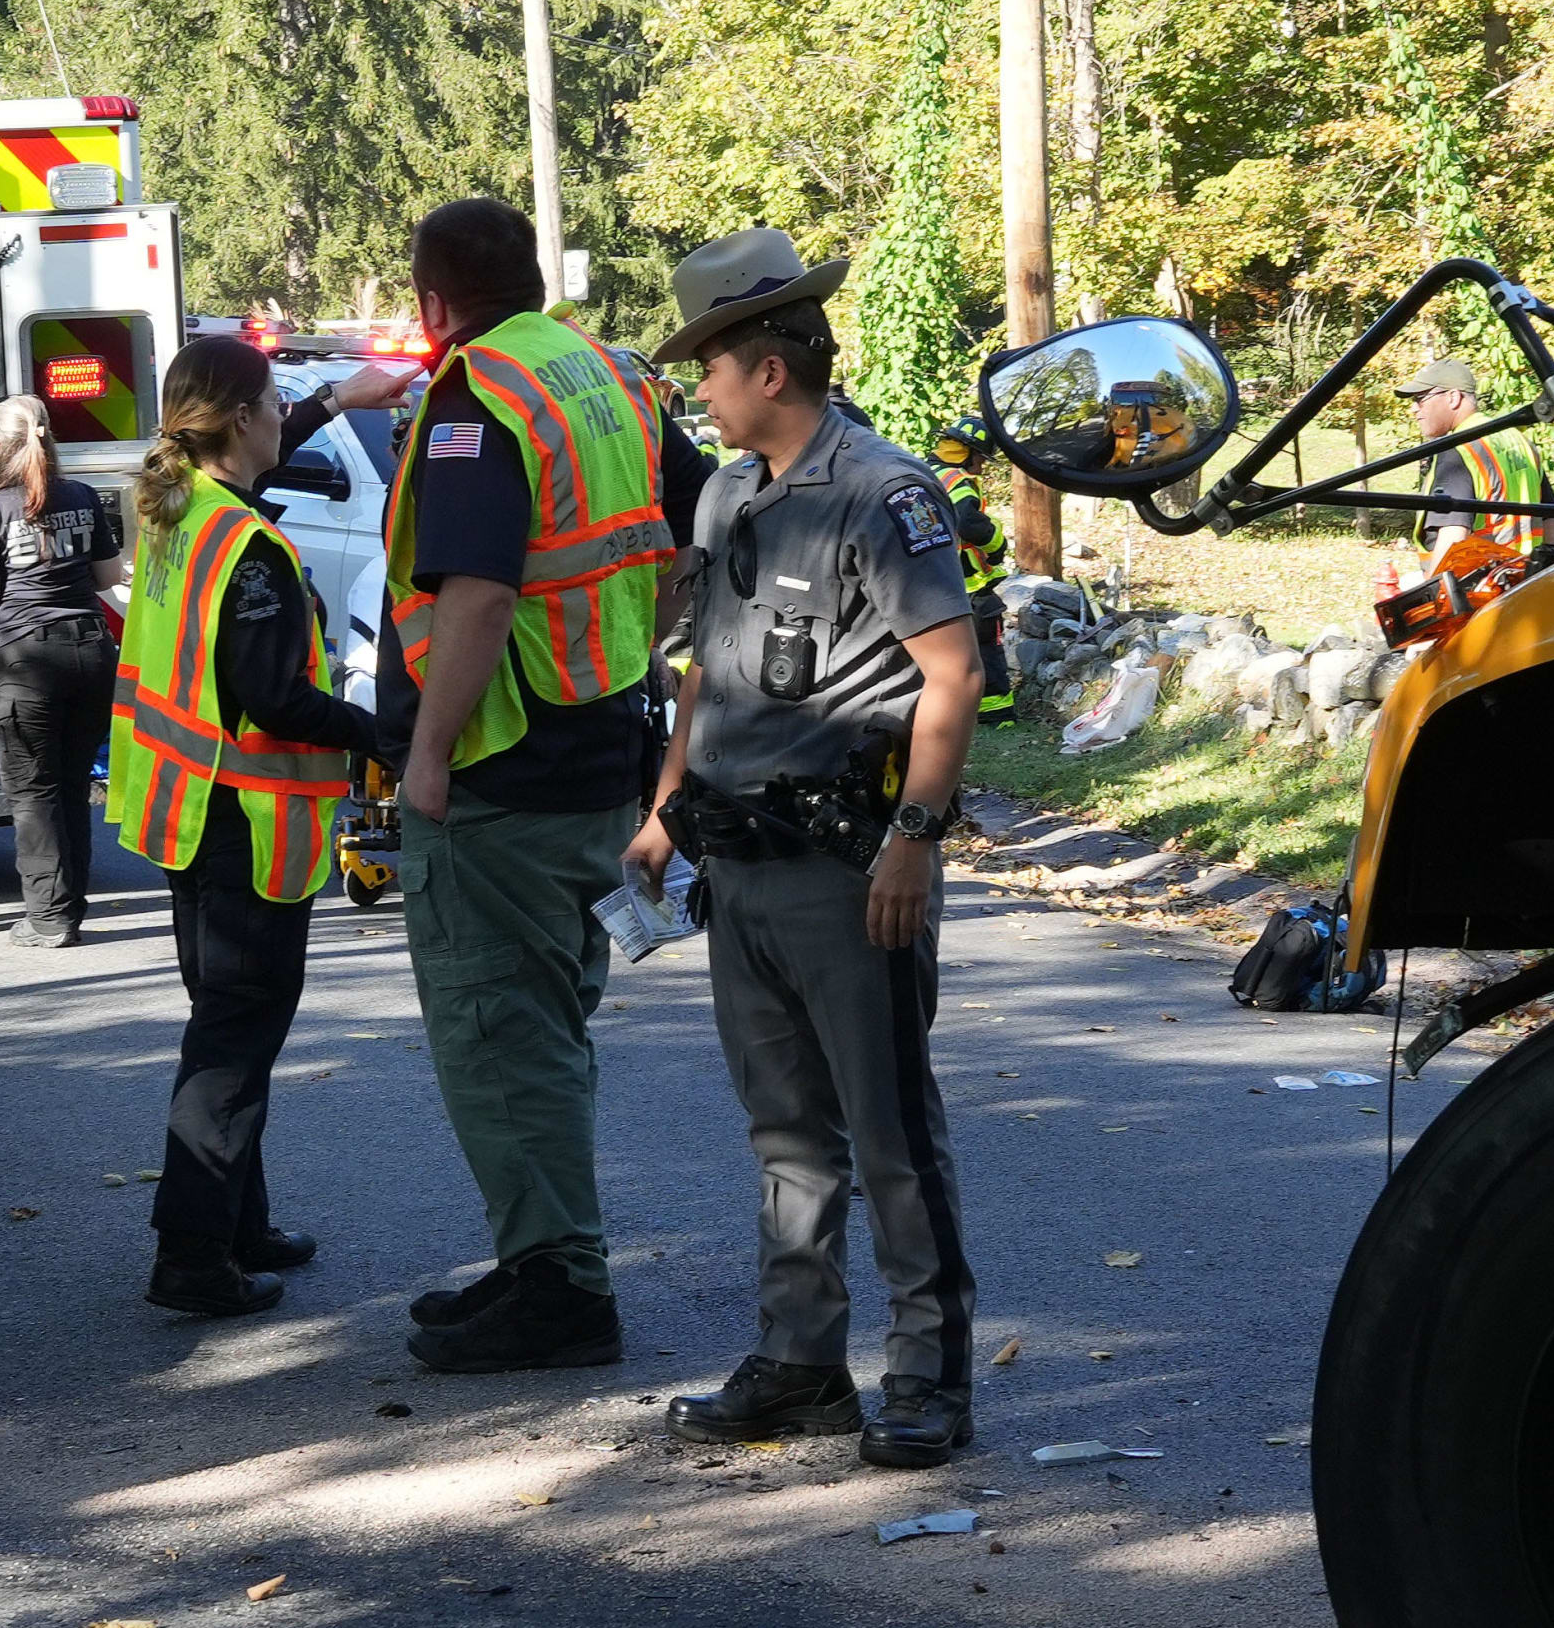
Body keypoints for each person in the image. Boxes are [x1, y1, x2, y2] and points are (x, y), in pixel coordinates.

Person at [630, 232, 987, 1469]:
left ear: (767, 371)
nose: (699, 394)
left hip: (850, 866)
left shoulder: (883, 494)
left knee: (888, 1128)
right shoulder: (727, 493)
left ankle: (931, 1375)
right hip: (742, 865)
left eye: (708, 371)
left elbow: (953, 676)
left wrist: (912, 844)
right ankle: (802, 1362)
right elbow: (703, 670)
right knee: (783, 1130)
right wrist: (667, 806)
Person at [383, 196, 710, 1377]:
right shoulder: (603, 373)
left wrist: (427, 756)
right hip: (594, 750)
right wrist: (653, 643)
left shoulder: (480, 397)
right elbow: (694, 526)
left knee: (501, 1035)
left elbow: (475, 596)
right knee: (545, 1028)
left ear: (432, 302)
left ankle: (563, 1289)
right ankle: (539, 1258)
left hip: (500, 771)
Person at [105, 334, 386, 1318]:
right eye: (276, 403)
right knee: (231, 1044)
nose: (284, 416)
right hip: (248, 827)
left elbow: (257, 451)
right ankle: (191, 1258)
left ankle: (235, 1222)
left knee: (230, 1034)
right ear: (237, 421)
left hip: (190, 814)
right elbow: (277, 699)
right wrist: (388, 729)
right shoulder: (248, 546)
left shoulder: (184, 509)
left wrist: (339, 399)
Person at [0, 393, 118, 951]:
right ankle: (70, 903)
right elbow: (107, 576)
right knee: (72, 785)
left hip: (29, 660)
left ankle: (47, 918)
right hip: (92, 654)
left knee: (32, 790)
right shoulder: (82, 496)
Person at [1396, 354, 1554, 567]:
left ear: (1453, 397)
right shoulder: (1518, 439)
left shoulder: (1460, 449)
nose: (1414, 409)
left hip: (1478, 589)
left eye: (1420, 399)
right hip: (1522, 581)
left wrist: (1434, 593)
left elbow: (1453, 538)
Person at [927, 418, 1019, 724]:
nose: (981, 466)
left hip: (934, 582)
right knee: (986, 647)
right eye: (980, 458)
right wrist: (997, 543)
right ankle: (996, 714)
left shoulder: (925, 472)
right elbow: (969, 524)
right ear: (966, 452)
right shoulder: (957, 481)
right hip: (969, 583)